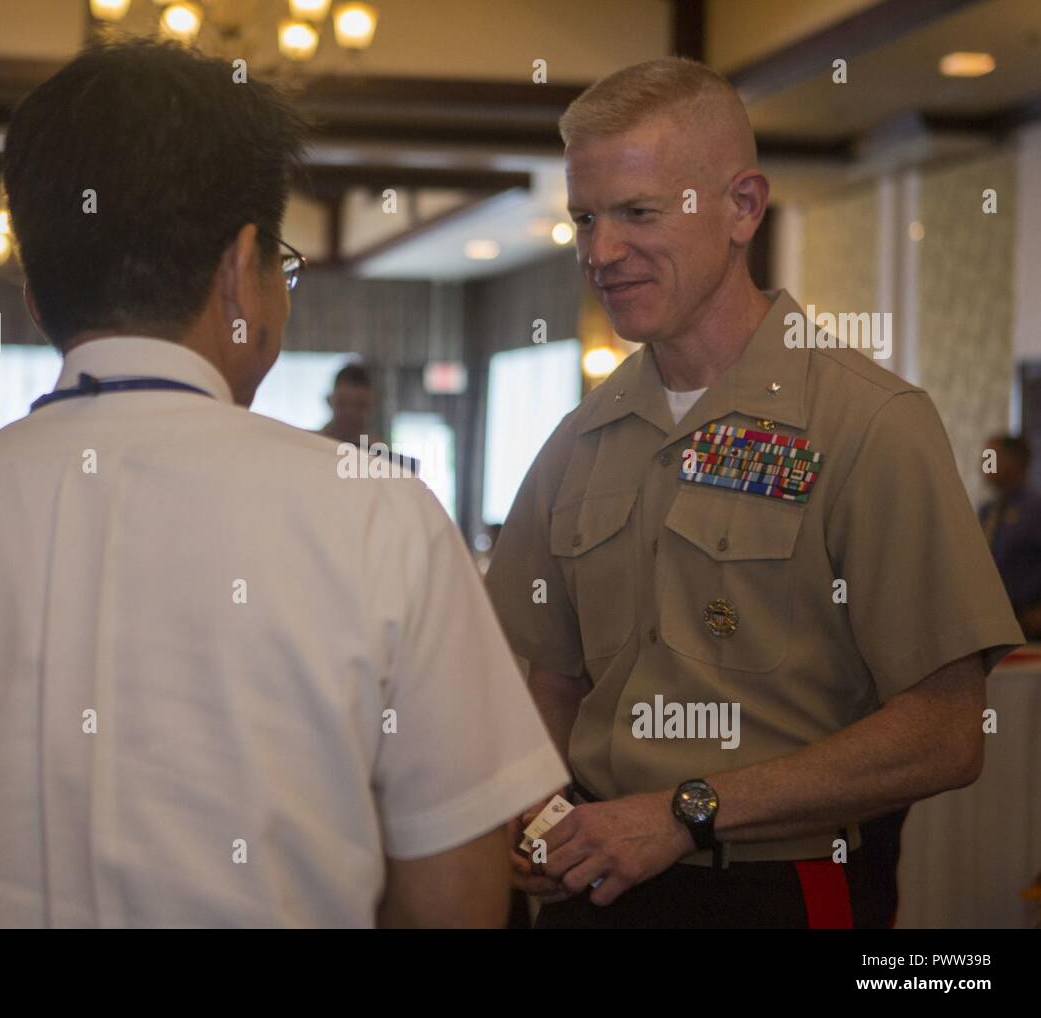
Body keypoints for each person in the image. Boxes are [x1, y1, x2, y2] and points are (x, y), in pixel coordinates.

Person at [0, 38, 566, 929]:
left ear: (36, 291)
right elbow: (453, 895)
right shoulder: (381, 515)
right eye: (283, 269)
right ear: (240, 271)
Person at [484, 57, 1023, 929]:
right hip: (598, 885)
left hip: (778, 889)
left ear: (741, 207)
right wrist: (542, 816)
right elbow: (556, 678)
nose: (600, 252)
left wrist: (682, 812)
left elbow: (945, 732)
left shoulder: (870, 423)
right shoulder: (580, 438)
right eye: (586, 218)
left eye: (638, 213)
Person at [979, 434, 1041, 637]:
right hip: (991, 619)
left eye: (990, 457)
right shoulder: (987, 511)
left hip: (1028, 620)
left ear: (1014, 462)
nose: (983, 463)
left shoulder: (1035, 510)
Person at [316, 362, 377, 446]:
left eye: (359, 405)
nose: (350, 412)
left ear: (370, 405)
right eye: (343, 403)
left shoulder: (379, 454)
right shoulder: (309, 445)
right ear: (329, 401)